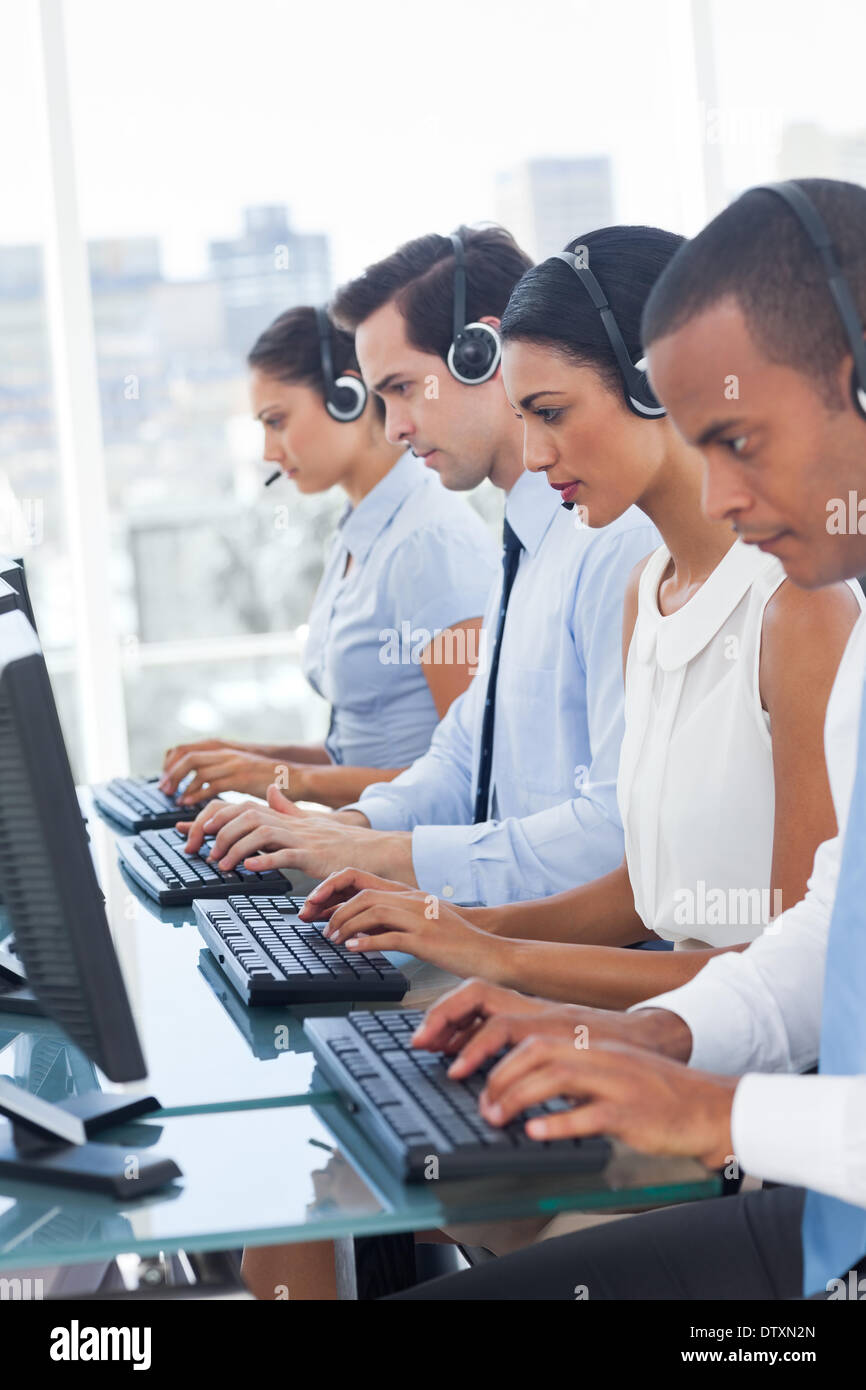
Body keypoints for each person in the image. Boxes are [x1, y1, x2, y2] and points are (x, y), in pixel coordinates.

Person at [386, 177, 866, 1300]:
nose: (726, 493)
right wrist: (655, 1037)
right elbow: (815, 937)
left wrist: (713, 1105)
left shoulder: (811, 618)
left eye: (738, 440)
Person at [294, 225, 861, 1012]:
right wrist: (465, 932)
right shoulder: (647, 590)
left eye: (552, 412)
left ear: (658, 383)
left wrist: (496, 957)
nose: (531, 455)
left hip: (736, 1069)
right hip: (665, 1026)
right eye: (524, 416)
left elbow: (793, 974)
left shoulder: (798, 607)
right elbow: (645, 889)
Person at [179, 227, 659, 904]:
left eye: (403, 389)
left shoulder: (613, 544)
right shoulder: (525, 544)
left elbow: (614, 838)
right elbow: (463, 754)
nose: (395, 426)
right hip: (498, 931)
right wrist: (345, 829)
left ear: (480, 353)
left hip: (562, 963)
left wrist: (366, 849)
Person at [160, 305, 496, 810]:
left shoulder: (430, 543)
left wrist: (278, 777)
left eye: (277, 421)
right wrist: (244, 758)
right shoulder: (356, 535)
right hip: (355, 846)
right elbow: (358, 750)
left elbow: (473, 773)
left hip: (411, 868)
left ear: (348, 397)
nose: (270, 451)